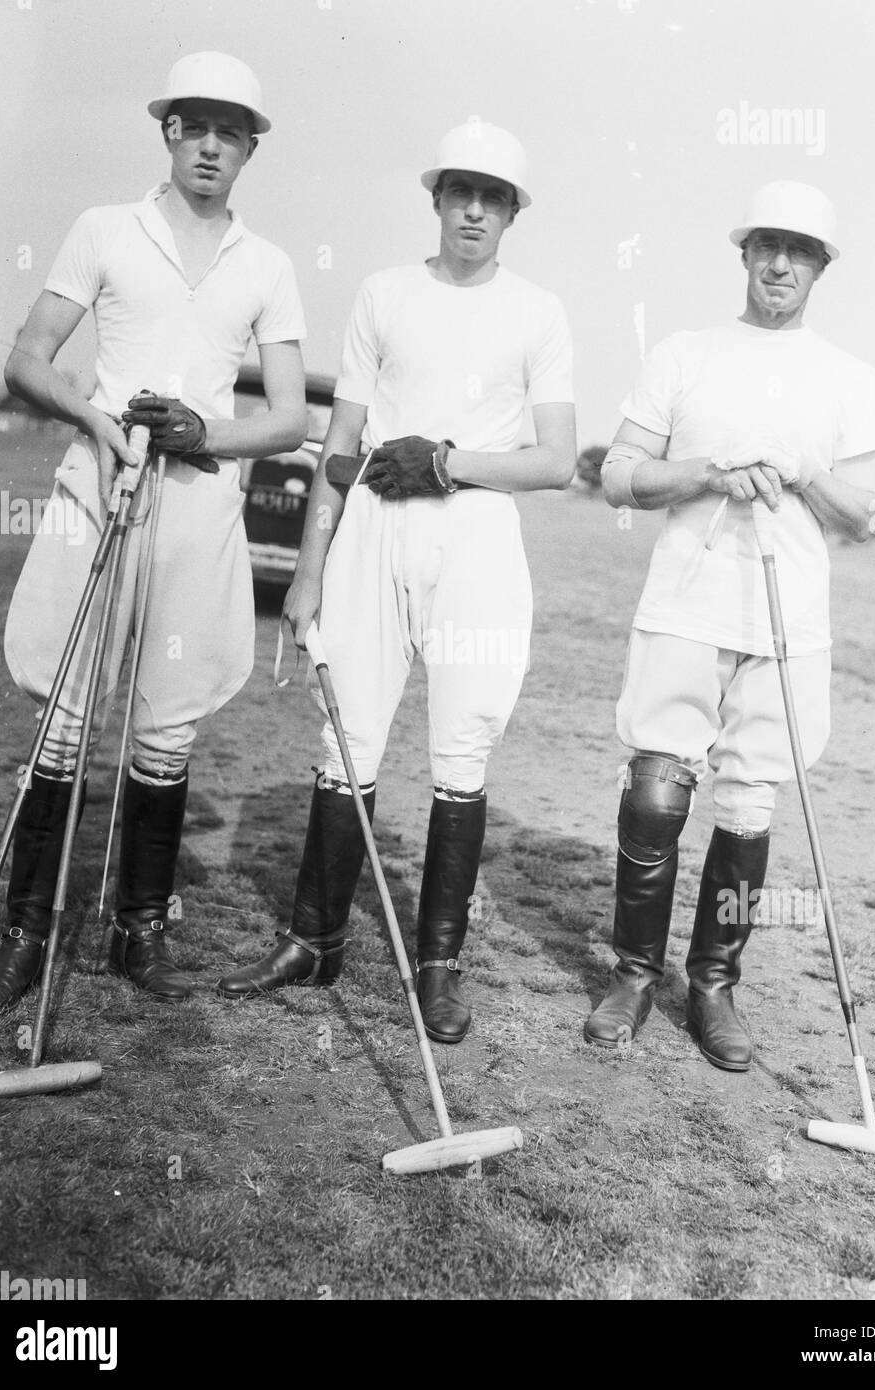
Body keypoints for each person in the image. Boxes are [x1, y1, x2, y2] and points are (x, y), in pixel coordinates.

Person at [220, 119, 576, 1044]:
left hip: (477, 539)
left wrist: (451, 461)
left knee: (461, 750)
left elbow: (557, 461)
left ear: (511, 213)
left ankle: (439, 965)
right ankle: (315, 938)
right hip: (373, 528)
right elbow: (340, 448)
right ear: (437, 197)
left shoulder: (538, 311)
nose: (473, 210)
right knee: (350, 738)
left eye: (491, 197)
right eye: (459, 191)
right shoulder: (383, 292)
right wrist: (306, 575)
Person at [0, 52, 307, 1011]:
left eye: (229, 131)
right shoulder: (104, 229)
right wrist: (101, 423)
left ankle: (138, 927)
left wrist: (207, 433)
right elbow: (31, 360)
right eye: (193, 124)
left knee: (166, 728)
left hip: (198, 506)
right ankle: (27, 928)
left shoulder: (268, 264)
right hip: (98, 491)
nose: (209, 144)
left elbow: (287, 418)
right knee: (64, 717)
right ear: (167, 131)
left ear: (249, 147)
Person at [585, 181, 875, 1071]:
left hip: (787, 618)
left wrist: (800, 473)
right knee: (654, 790)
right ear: (744, 251)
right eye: (766, 246)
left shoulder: (849, 376)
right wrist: (707, 473)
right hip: (686, 600)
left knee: (750, 803)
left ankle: (713, 983)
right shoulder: (685, 354)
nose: (780, 264)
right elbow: (616, 475)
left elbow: (864, 514)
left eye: (800, 251)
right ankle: (634, 974)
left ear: (822, 266)